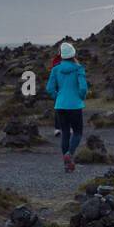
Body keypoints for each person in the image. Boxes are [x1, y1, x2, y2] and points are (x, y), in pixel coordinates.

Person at [45, 42, 88, 172]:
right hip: (74, 105)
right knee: (78, 132)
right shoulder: (78, 68)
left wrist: (57, 97)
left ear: (62, 55)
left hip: (60, 105)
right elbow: (83, 87)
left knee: (65, 133)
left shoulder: (56, 69)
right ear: (73, 54)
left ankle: (66, 165)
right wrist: (80, 97)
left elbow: (49, 88)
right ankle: (69, 155)